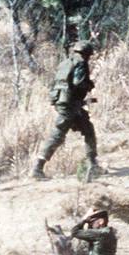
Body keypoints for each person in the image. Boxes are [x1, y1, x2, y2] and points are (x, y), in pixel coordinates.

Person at [32, 40, 101, 179]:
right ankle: (37, 168)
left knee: (88, 129)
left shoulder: (65, 63)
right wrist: (89, 84)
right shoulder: (81, 62)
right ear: (86, 53)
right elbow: (78, 83)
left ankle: (93, 165)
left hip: (65, 102)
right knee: (58, 135)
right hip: (70, 105)